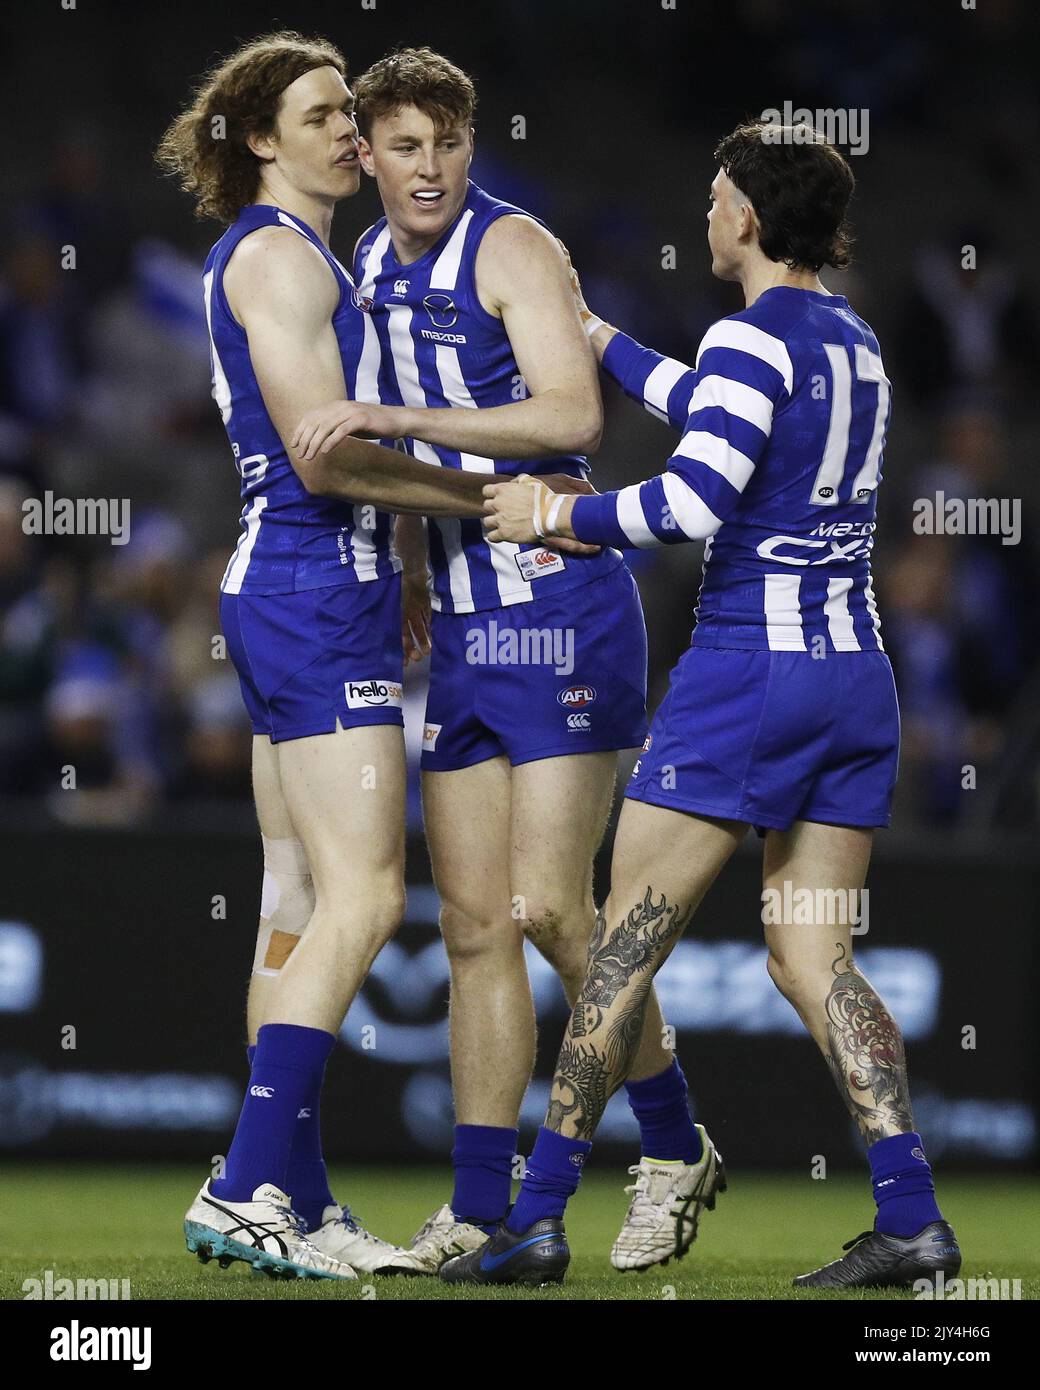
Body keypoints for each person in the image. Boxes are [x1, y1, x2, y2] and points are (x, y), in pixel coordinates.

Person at [462, 120, 963, 1289]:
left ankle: (535, 1217)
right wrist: (600, 341)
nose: (703, 212)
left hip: (747, 677)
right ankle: (912, 1217)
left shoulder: (749, 335)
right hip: (853, 681)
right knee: (812, 958)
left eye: (713, 195)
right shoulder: (853, 341)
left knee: (617, 951)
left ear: (744, 214)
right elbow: (722, 412)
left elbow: (691, 499)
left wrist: (555, 518)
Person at [156, 31, 587, 1282]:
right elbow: (323, 456)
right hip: (310, 587)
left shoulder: (287, 255)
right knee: (359, 897)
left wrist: (408, 543)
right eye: (323, 114)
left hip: (288, 588)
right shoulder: (284, 261)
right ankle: (243, 1181)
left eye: (353, 111)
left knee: (293, 899)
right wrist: (478, 496)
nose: (351, 131)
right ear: (258, 139)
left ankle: (294, 1193)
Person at [292, 47, 723, 1274]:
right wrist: (421, 569)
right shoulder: (366, 263)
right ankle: (484, 1212)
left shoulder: (514, 248)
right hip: (470, 626)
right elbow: (434, 474)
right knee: (477, 927)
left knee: (550, 909)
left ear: (470, 148)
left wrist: (395, 417)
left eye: (450, 144)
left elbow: (571, 417)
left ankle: (672, 1141)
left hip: (563, 606)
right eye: (407, 147)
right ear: (365, 156)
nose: (431, 169)